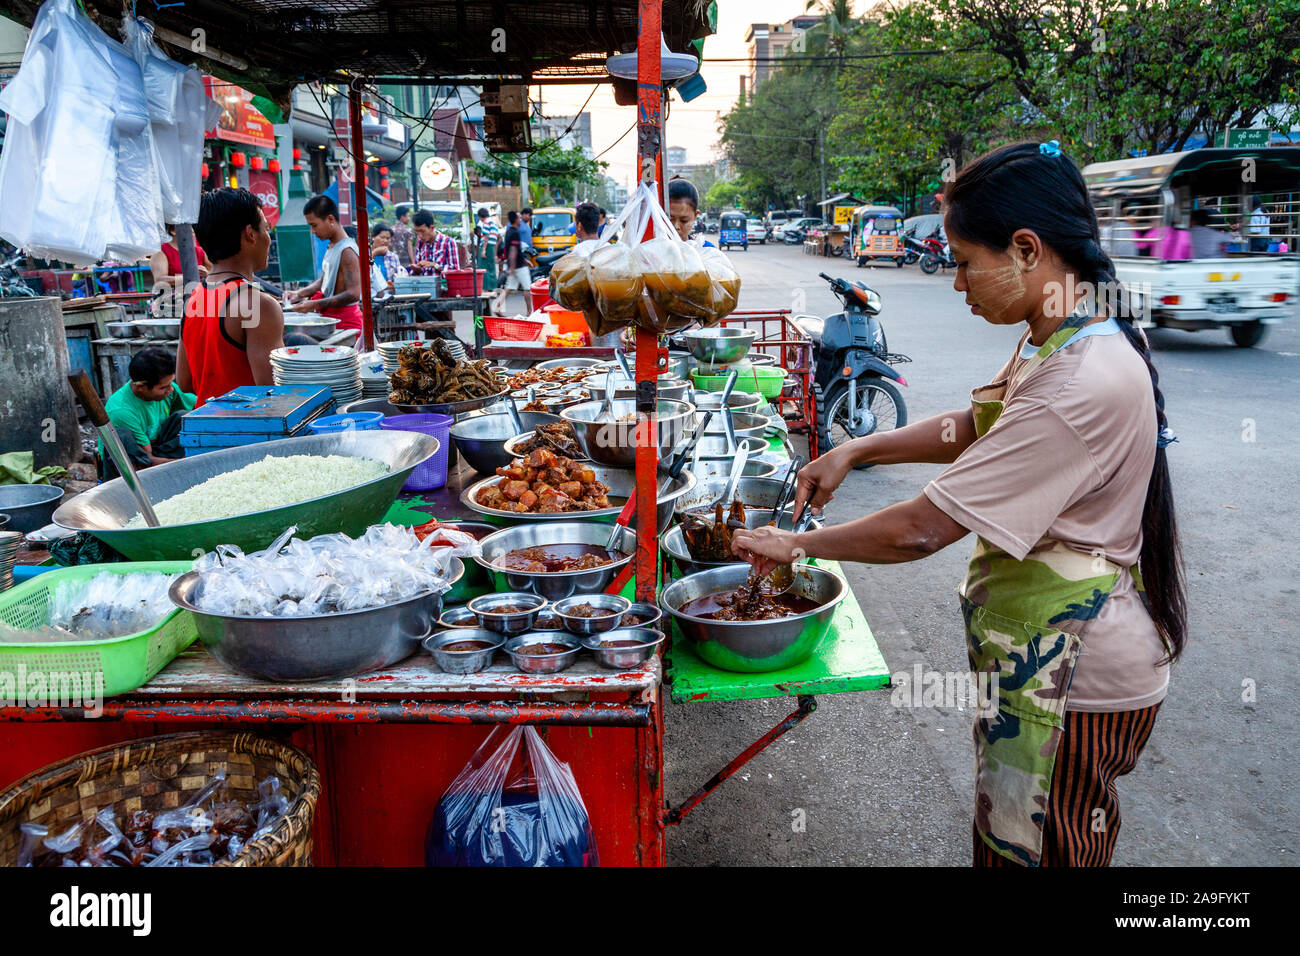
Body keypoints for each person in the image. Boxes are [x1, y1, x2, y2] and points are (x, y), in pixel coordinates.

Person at [733, 141, 1185, 868]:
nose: (956, 283)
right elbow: (978, 426)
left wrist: (796, 545)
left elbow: (919, 532)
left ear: (1027, 250)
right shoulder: (1059, 336)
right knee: (1014, 844)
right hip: (1041, 665)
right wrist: (859, 449)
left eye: (965, 262)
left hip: (1074, 680)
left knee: (1035, 853)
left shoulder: (1083, 378)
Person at [177, 187, 285, 406]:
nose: (268, 238)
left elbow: (185, 382)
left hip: (204, 429)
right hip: (251, 432)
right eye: (266, 228)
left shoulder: (194, 297)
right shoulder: (259, 304)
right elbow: (272, 390)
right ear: (250, 234)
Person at [99, 347, 195, 479]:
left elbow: (198, 407)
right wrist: (186, 465)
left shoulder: (168, 389)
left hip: (155, 447)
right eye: (163, 387)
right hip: (134, 460)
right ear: (141, 388)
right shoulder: (121, 411)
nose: (171, 389)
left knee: (184, 417)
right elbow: (147, 458)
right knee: (122, 436)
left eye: (171, 383)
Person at [284, 195, 364, 331]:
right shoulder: (332, 246)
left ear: (330, 219)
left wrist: (314, 304)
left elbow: (354, 293)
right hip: (332, 319)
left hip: (347, 322)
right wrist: (299, 293)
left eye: (314, 225)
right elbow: (324, 280)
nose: (313, 231)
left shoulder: (347, 251)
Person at [149, 224, 212, 290]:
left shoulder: (200, 251)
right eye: (190, 232)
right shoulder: (161, 252)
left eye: (193, 232)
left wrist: (207, 274)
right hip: (172, 297)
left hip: (197, 295)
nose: (193, 235)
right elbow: (160, 280)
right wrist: (192, 276)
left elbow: (215, 273)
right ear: (173, 231)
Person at [491, 210, 530, 316]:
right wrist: (512, 268)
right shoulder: (514, 233)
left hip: (515, 264)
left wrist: (524, 261)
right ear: (515, 220)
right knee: (527, 288)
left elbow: (515, 250)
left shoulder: (509, 232)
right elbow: (513, 251)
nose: (520, 219)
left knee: (509, 288)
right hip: (518, 266)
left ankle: (497, 307)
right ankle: (530, 312)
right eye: (519, 218)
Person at [409, 209, 461, 279]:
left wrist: (434, 265)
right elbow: (419, 271)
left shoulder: (448, 242)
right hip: (425, 287)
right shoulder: (420, 243)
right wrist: (416, 268)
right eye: (417, 232)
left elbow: (455, 271)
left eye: (422, 231)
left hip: (443, 287)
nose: (420, 235)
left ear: (432, 228)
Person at [666, 178, 715, 247]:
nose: (676, 226)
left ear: (695, 216)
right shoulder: (651, 251)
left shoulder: (706, 250)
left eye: (684, 221)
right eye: (670, 220)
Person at [473, 207, 499, 292]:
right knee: (491, 268)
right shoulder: (493, 222)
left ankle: (486, 289)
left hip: (486, 247)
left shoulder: (486, 222)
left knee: (483, 268)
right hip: (492, 247)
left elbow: (486, 237)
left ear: (480, 216)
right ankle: (491, 287)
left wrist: (483, 250)